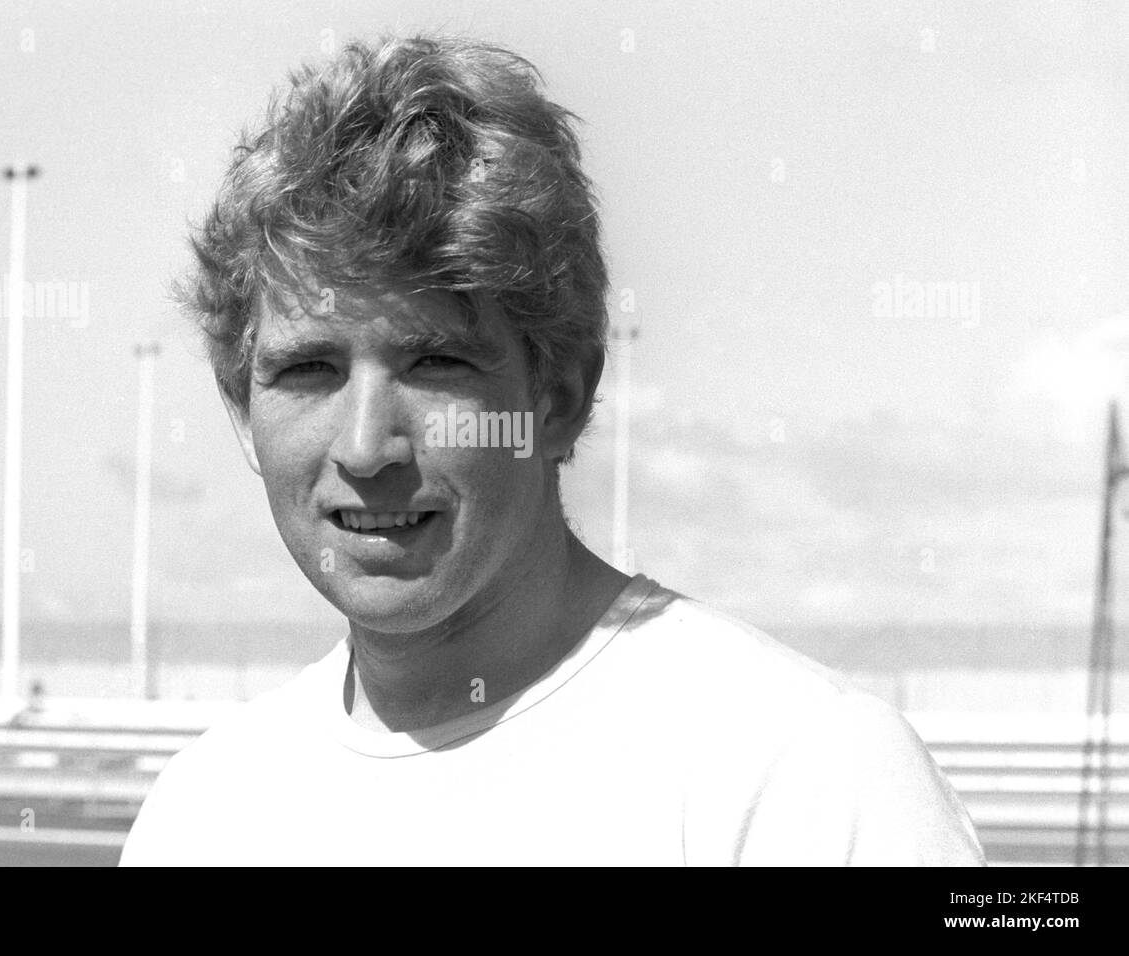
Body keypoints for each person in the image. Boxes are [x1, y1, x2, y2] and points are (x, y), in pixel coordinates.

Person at [120, 33, 984, 866]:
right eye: (309, 370)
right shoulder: (202, 812)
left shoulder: (801, 780)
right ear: (242, 412)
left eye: (436, 362)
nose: (365, 444)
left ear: (560, 398)